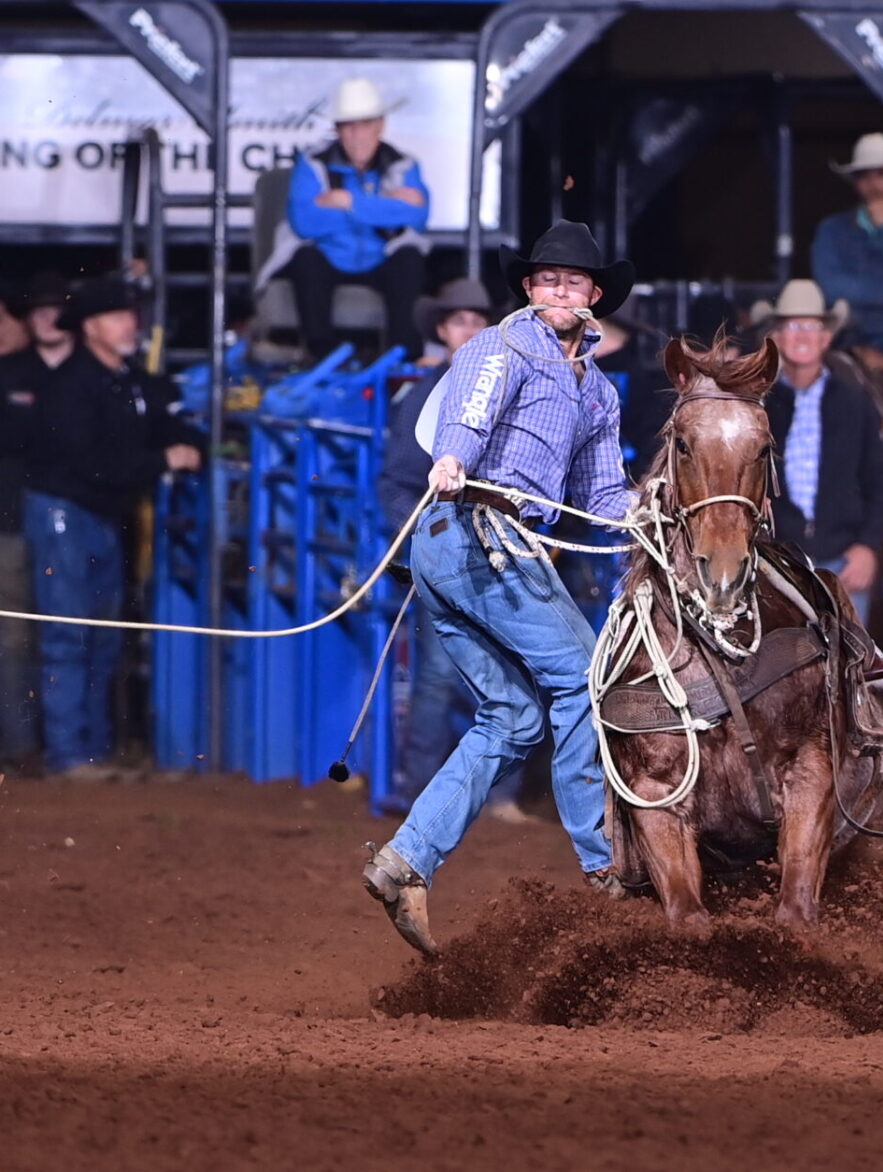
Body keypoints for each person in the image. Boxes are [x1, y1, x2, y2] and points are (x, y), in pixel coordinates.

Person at [361, 220, 636, 956]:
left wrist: (645, 513)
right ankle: (604, 862)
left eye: (571, 282)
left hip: (468, 549)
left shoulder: (598, 393)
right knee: (585, 677)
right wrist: (453, 456)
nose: (557, 290)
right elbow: (471, 405)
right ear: (529, 288)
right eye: (547, 280)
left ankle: (406, 860)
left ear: (594, 296)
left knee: (513, 717)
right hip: (480, 530)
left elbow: (602, 491)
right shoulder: (504, 344)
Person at [23, 278, 205, 782]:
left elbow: (164, 426)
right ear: (91, 326)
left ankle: (89, 751)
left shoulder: (125, 382)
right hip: (68, 511)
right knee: (70, 632)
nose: (131, 324)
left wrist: (179, 443)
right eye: (118, 315)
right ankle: (70, 753)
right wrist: (163, 457)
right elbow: (90, 462)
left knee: (99, 636)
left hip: (95, 513)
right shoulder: (73, 386)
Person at [378, 277, 530, 823]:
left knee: (509, 672)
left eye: (476, 321)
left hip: (502, 554)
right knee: (443, 675)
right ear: (443, 331)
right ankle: (425, 792)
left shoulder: (508, 391)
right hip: (448, 555)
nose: (468, 330)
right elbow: (397, 482)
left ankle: (498, 796)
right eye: (458, 321)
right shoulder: (423, 396)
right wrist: (420, 542)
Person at [258, 77, 430, 359]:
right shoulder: (312, 162)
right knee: (306, 260)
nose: (357, 134)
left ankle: (402, 360)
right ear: (337, 130)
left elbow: (418, 216)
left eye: (365, 125)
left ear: (380, 126)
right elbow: (305, 222)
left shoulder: (403, 163)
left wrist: (348, 202)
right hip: (329, 257)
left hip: (382, 257)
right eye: (348, 126)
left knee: (409, 257)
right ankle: (322, 358)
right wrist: (385, 207)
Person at [763, 279, 883, 622]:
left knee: (847, 664)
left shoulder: (854, 402)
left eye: (812, 326)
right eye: (793, 326)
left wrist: (868, 546)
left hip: (842, 561)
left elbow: (879, 481)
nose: (802, 335)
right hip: (778, 562)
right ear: (776, 337)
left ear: (826, 337)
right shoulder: (763, 406)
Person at [0, 273, 74, 770]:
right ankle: (24, 746)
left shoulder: (93, 374)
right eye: (39, 307)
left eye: (57, 307)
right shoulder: (10, 373)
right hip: (12, 521)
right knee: (16, 636)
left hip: (77, 518)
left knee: (80, 631)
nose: (48, 316)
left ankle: (75, 747)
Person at [811, 132, 883, 390]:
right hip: (847, 335)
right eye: (864, 175)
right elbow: (830, 286)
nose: (872, 183)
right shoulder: (832, 229)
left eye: (882, 174)